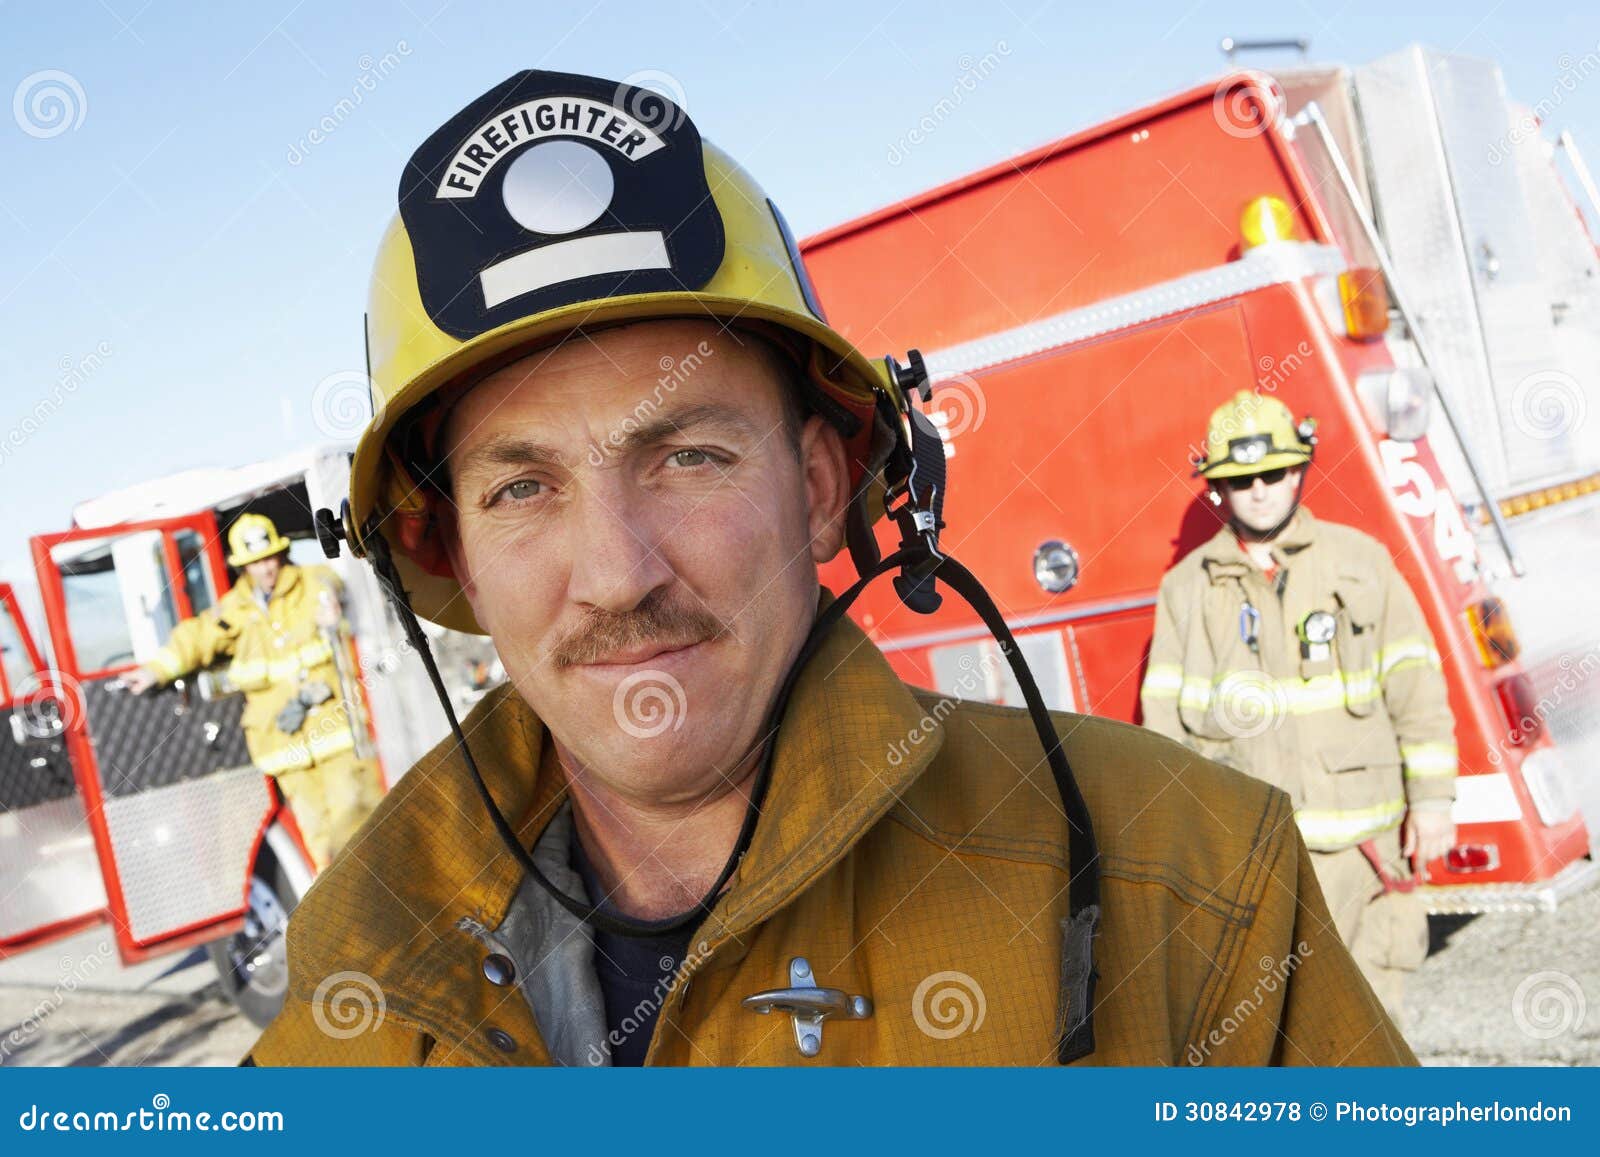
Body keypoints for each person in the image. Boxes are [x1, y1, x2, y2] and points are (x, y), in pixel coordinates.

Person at [243, 70, 1414, 1066]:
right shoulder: (359, 968)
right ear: (442, 553)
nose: (614, 573)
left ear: (817, 488)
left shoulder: (1195, 881)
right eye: (521, 486)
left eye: (689, 454)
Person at [1140, 390, 1458, 1023]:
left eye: (1272, 472)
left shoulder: (1360, 560)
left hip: (1366, 852)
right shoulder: (1186, 588)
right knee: (1281, 1034)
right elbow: (1164, 729)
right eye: (1239, 479)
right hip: (1259, 860)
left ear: (1299, 470)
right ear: (1220, 489)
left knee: (1372, 1037)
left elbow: (1415, 685)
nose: (1258, 490)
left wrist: (1433, 802)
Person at [120, 513, 384, 872]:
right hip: (286, 746)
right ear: (242, 567)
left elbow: (331, 584)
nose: (265, 569)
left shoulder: (311, 584)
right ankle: (348, 917)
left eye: (268, 558)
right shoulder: (234, 610)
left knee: (361, 826)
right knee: (321, 842)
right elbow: (197, 637)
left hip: (337, 737)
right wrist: (156, 669)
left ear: (280, 553)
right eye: (255, 562)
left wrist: (331, 605)